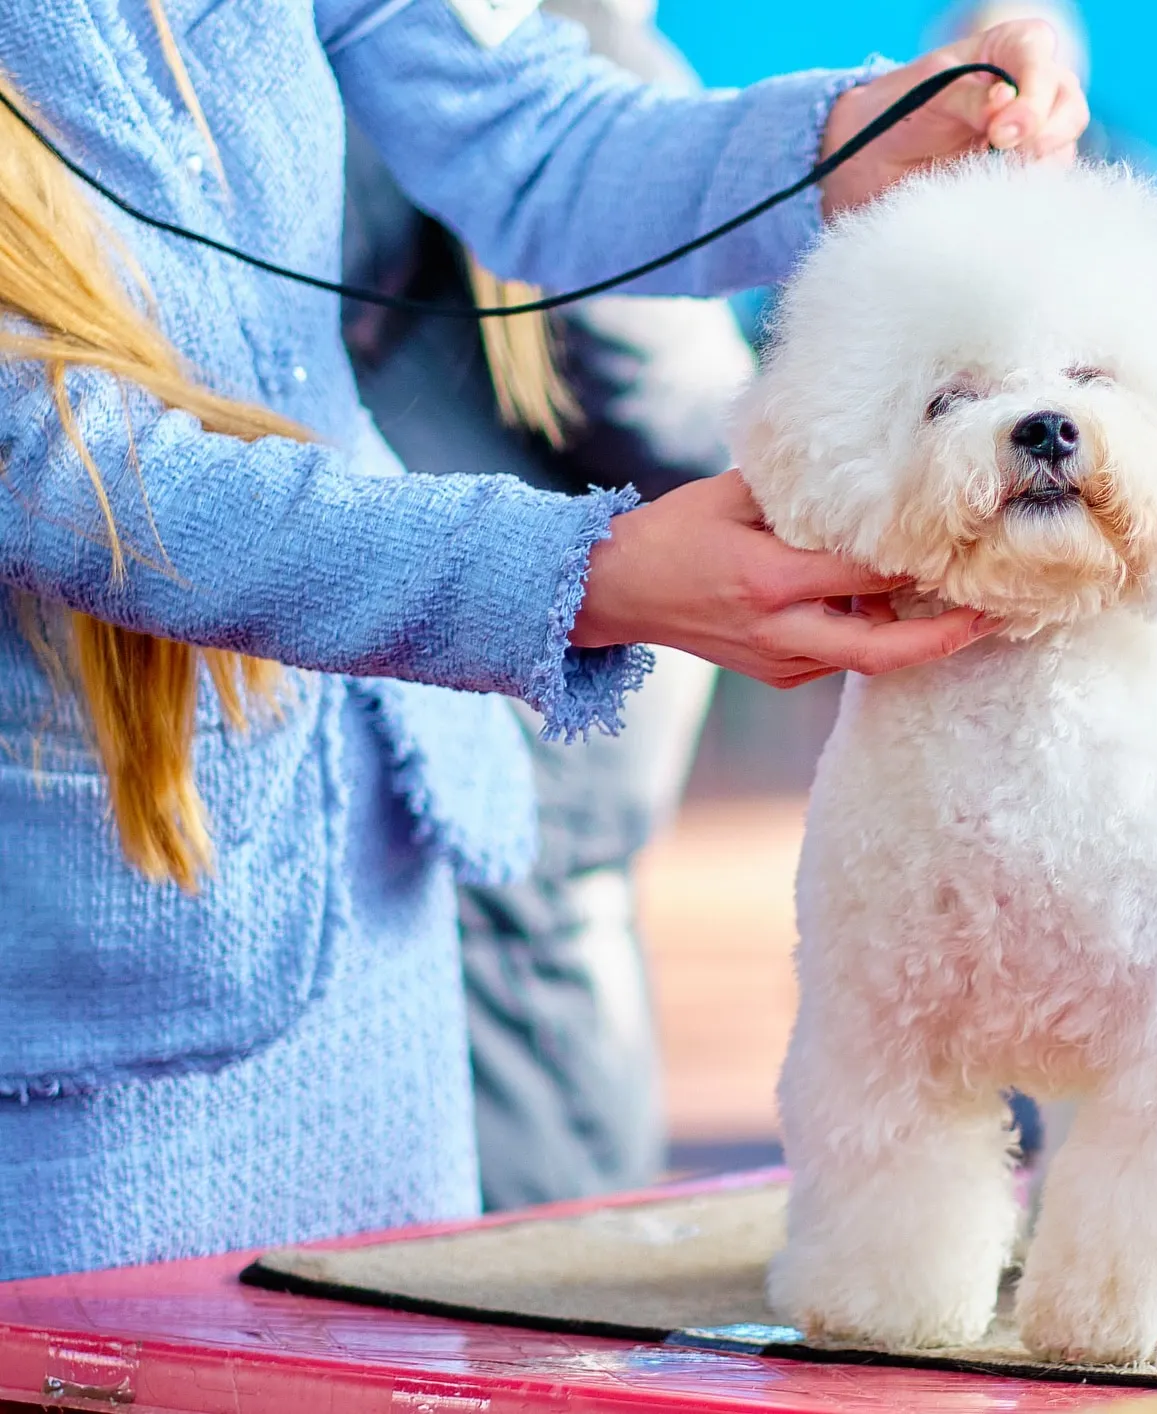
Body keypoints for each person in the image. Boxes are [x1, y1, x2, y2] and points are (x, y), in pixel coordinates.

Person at [0, 1, 1085, 1280]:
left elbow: (529, 129)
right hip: (84, 990)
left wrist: (845, 138)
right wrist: (581, 576)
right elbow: (50, 469)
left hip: (372, 881)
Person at [340, 0, 749, 1211]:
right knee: (549, 1192)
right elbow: (670, 388)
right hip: (534, 696)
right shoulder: (563, 40)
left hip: (474, 672)